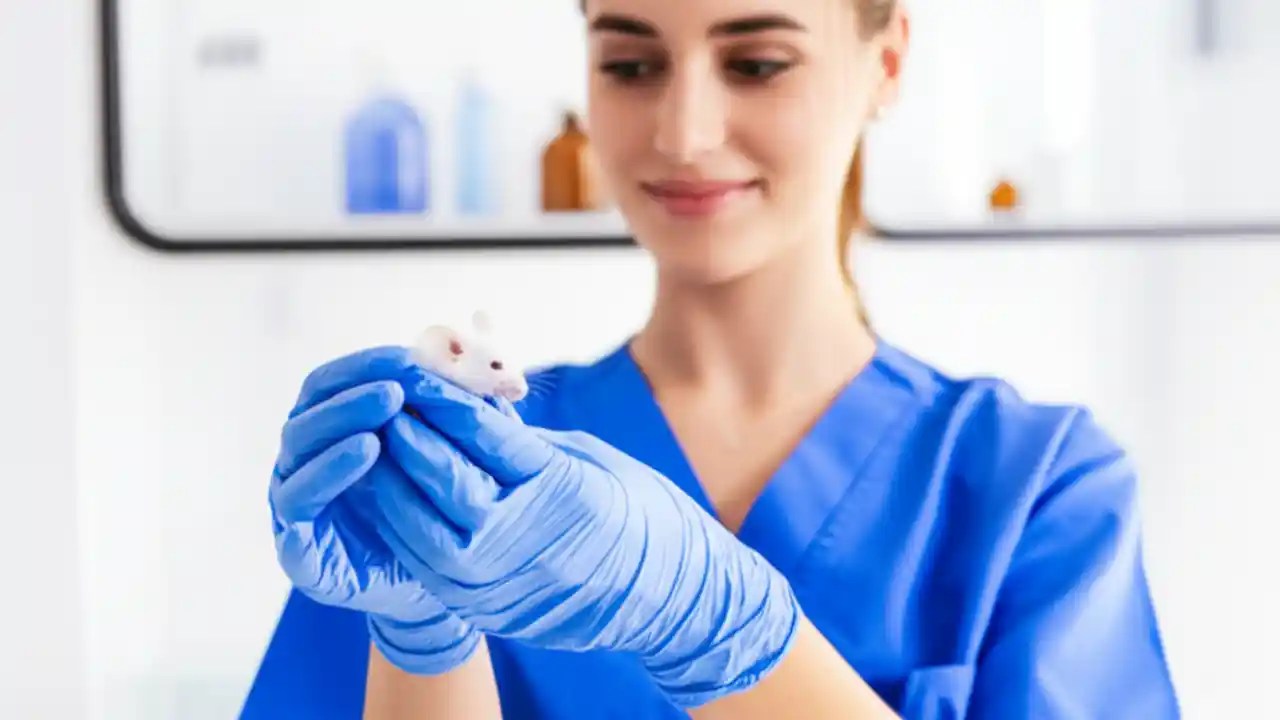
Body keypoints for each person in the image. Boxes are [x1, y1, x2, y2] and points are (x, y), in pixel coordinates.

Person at [241, 0, 1181, 717]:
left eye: (758, 63)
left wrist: (730, 633)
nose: (683, 133)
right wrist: (422, 644)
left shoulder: (1035, 486)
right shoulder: (458, 468)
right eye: (632, 63)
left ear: (886, 63)